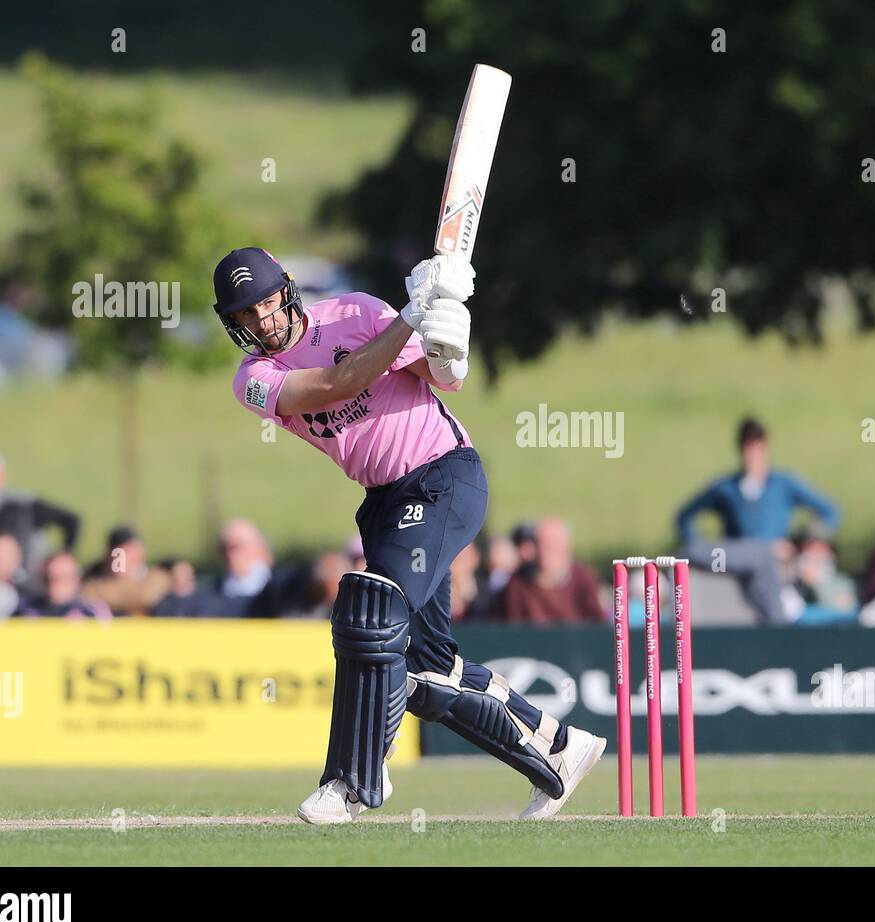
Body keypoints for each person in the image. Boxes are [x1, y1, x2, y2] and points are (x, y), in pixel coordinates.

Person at [214, 245, 603, 824]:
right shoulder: (253, 379)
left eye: (267, 303)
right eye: (245, 315)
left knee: (370, 614)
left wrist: (449, 339)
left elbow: (444, 380)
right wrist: (409, 317)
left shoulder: (356, 313)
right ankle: (558, 748)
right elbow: (332, 385)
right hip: (384, 504)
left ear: (288, 290)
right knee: (426, 671)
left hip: (443, 475)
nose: (261, 322)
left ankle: (352, 780)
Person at [675, 418, 839, 622]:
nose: (753, 456)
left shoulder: (783, 484)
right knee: (755, 554)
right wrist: (693, 539)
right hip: (738, 553)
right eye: (748, 449)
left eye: (757, 449)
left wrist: (802, 546)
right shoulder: (726, 487)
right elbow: (684, 516)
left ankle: (773, 624)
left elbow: (829, 512)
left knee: (764, 567)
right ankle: (778, 624)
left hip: (773, 560)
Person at [0, 451, 80, 575]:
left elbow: (71, 521)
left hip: (29, 581)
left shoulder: (24, 505)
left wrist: (61, 559)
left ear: (1, 476)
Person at [499, 517, 608, 623]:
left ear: (566, 547)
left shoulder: (584, 579)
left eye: (551, 545)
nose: (544, 551)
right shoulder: (518, 584)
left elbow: (598, 626)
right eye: (539, 543)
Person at [80, 526, 171, 616]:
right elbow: (89, 596)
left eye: (129, 553)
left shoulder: (156, 578)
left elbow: (146, 597)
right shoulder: (94, 583)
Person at [19, 551, 111, 619]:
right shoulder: (27, 611)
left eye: (63, 577)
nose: (54, 585)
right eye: (49, 578)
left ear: (76, 579)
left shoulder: (92, 613)